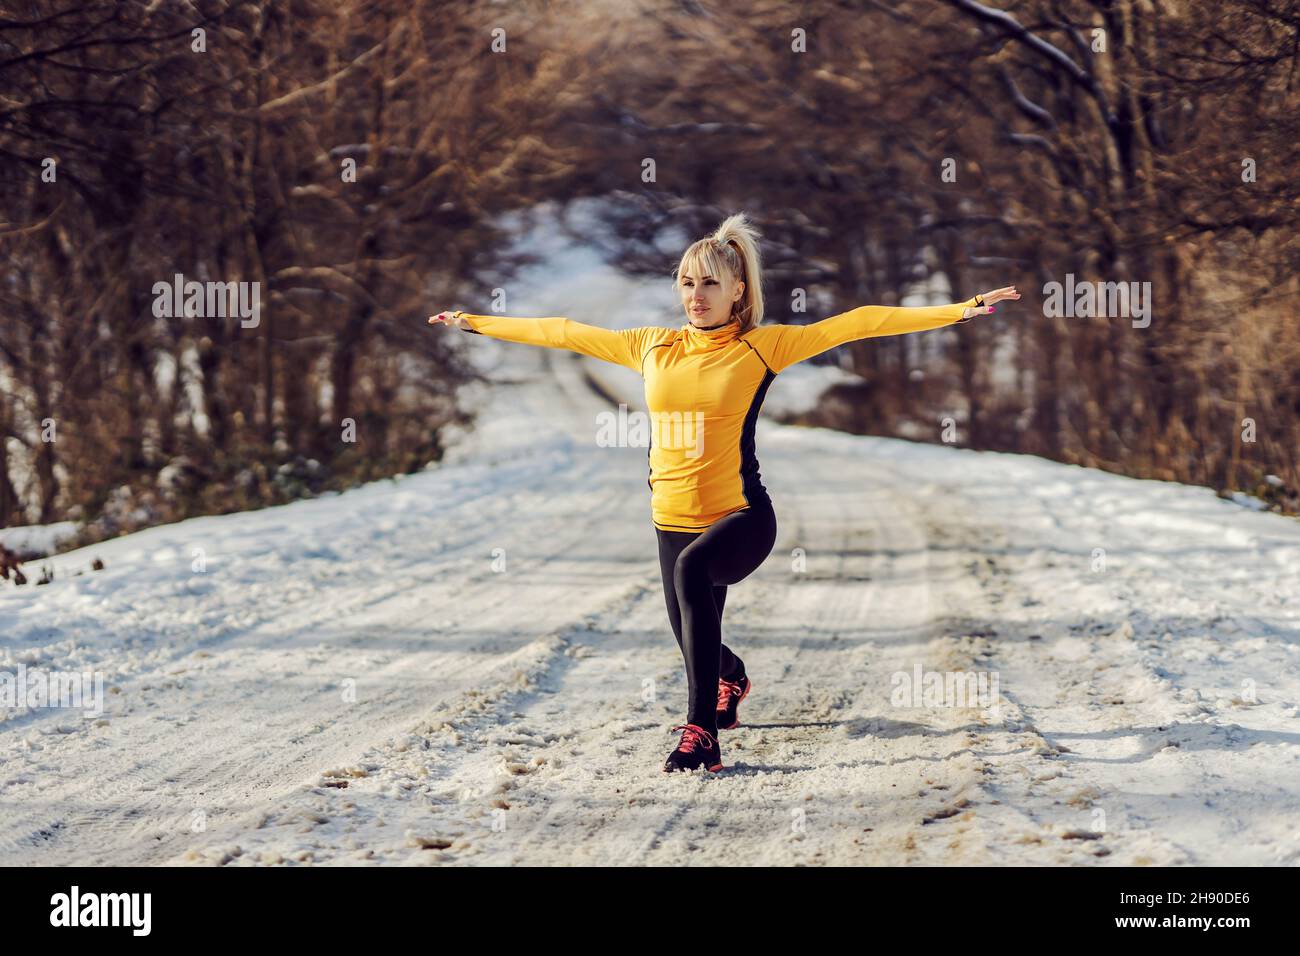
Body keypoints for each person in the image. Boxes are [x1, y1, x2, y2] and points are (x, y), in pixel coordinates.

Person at [429, 213, 1019, 773]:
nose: (696, 294)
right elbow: (562, 332)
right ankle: (729, 678)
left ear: (738, 289)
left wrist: (960, 310)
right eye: (687, 282)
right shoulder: (652, 346)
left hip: (741, 516)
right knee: (689, 632)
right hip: (671, 515)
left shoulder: (762, 347)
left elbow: (861, 320)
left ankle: (700, 735)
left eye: (710, 283)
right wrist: (475, 322)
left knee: (692, 575)